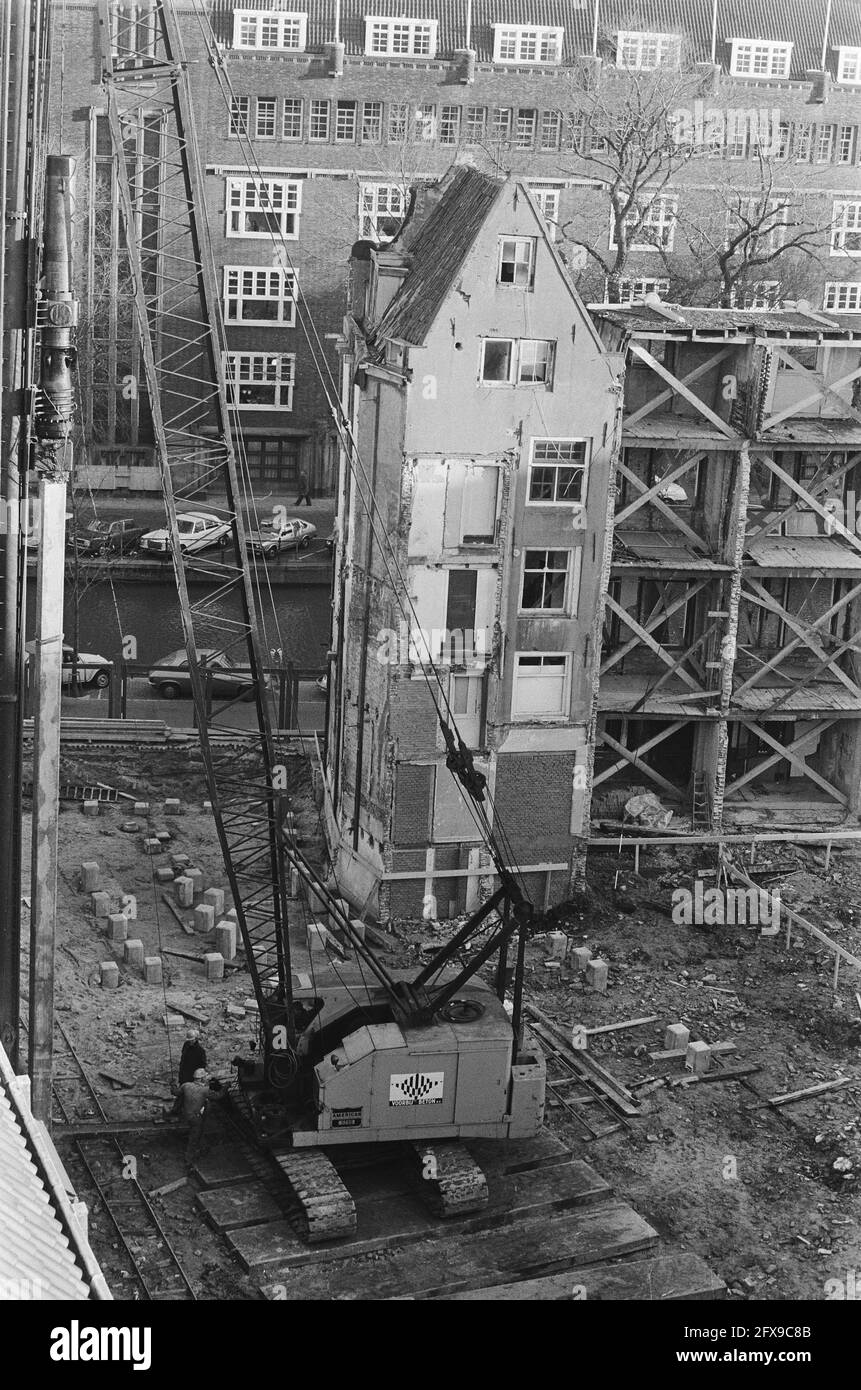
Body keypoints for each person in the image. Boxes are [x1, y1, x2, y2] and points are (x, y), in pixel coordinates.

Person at [171, 1068, 211, 1166]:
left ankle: (202, 1146)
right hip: (195, 1118)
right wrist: (226, 1087)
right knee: (194, 1137)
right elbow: (218, 1096)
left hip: (185, 1114)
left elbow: (175, 1092)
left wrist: (173, 1084)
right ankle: (188, 1160)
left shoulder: (186, 1085)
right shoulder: (205, 1090)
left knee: (197, 1129)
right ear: (201, 1079)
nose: (206, 1079)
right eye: (205, 1077)